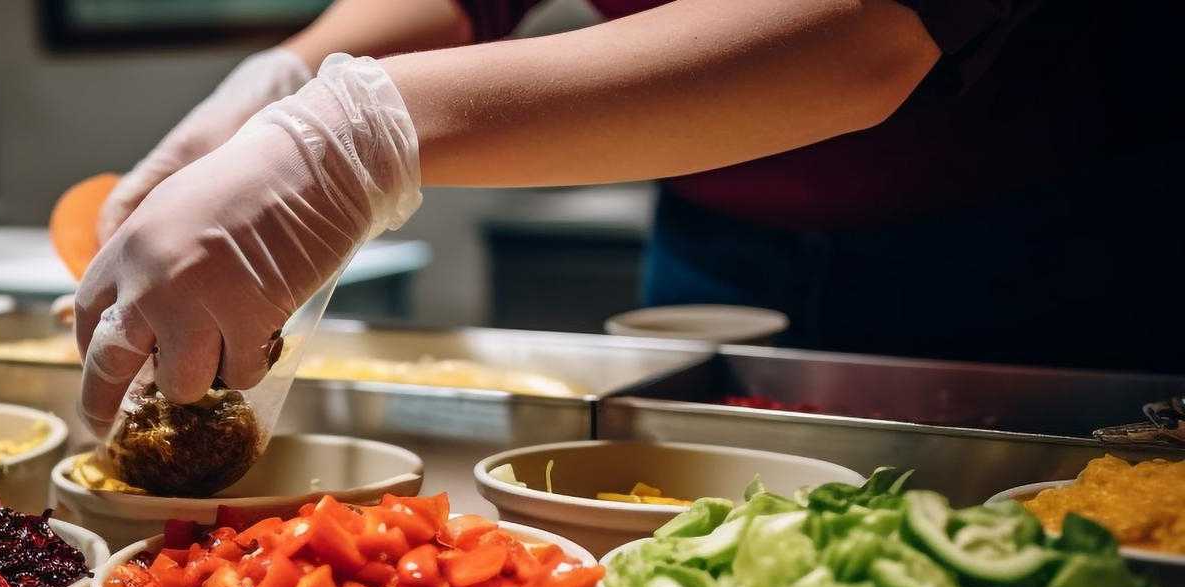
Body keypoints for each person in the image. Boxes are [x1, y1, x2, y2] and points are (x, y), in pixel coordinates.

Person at [75, 0, 1181, 433]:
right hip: (718, 232)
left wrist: (361, 132)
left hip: (1043, 246)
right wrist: (288, 78)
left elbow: (871, 35)